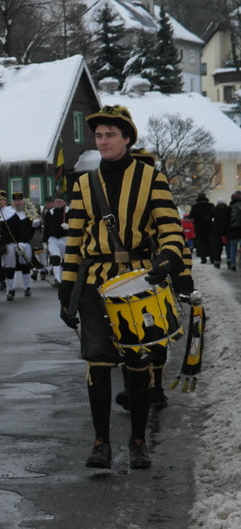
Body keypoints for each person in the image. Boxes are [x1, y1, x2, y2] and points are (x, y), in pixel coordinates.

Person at [59, 105, 187, 471]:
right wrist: (67, 287)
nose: (103, 141)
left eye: (110, 135)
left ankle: (137, 442)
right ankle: (101, 443)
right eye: (98, 136)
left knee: (137, 362)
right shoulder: (83, 183)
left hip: (138, 281)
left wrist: (169, 258)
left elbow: (170, 228)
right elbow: (74, 240)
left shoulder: (152, 178)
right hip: (95, 283)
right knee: (98, 363)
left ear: (127, 138)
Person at [42, 194, 70, 282]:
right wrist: (44, 241)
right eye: (56, 201)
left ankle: (64, 278)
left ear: (64, 202)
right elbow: (46, 228)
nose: (57, 203)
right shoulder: (50, 213)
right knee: (55, 258)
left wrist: (69, 227)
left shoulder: (69, 212)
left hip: (65, 239)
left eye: (60, 201)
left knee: (65, 259)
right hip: (53, 239)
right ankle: (57, 278)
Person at [187, 193, 215, 264]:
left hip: (199, 229)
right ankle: (212, 258)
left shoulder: (195, 206)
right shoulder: (210, 206)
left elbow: (190, 216)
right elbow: (214, 215)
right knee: (210, 243)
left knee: (201, 244)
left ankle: (203, 259)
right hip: (209, 227)